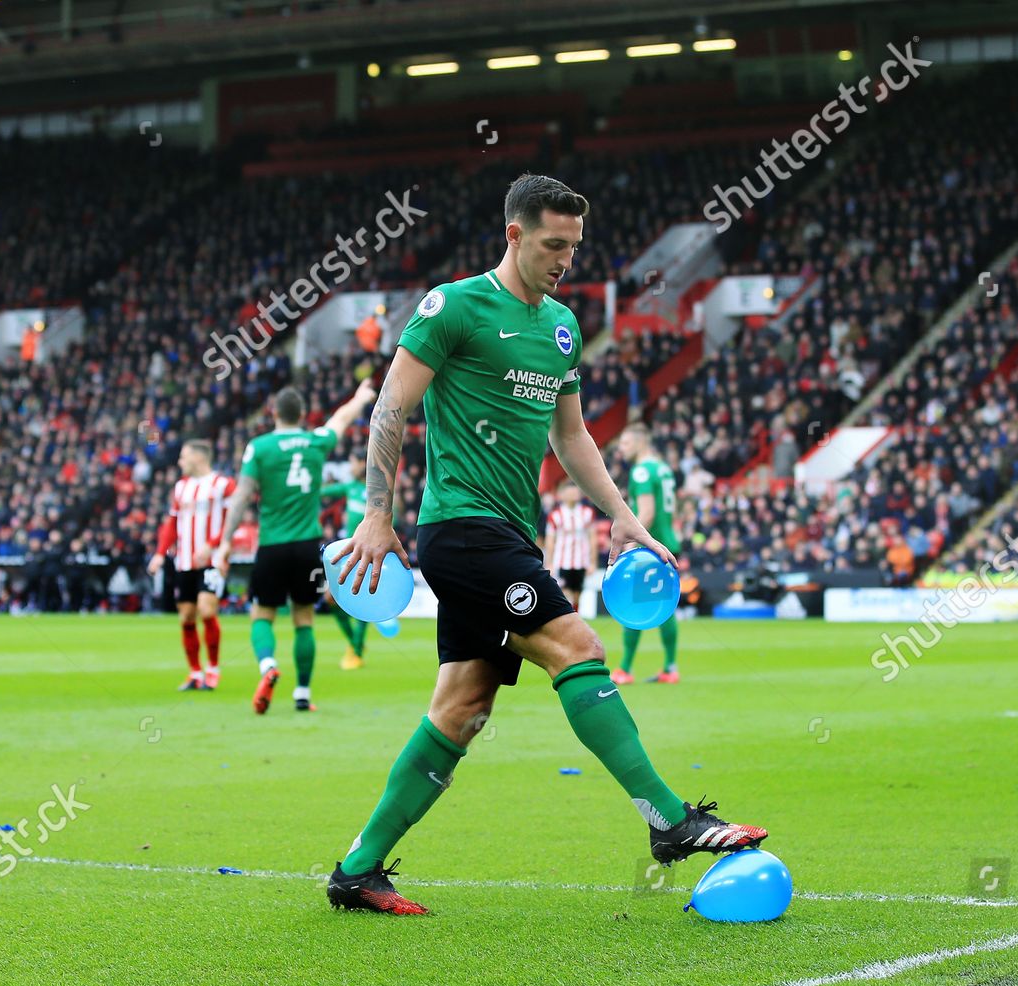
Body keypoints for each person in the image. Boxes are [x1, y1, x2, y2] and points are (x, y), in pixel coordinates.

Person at [325, 173, 767, 916]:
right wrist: (378, 513)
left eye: (575, 246)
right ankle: (668, 819)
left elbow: (572, 436)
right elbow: (390, 410)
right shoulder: (454, 306)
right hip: (461, 529)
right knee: (578, 645)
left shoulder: (560, 327)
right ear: (515, 235)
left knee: (463, 706)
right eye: (554, 244)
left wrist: (622, 515)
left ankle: (357, 869)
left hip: (506, 530)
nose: (565, 258)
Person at [214, 382, 375, 712]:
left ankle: (268, 666)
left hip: (272, 545)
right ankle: (302, 693)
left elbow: (243, 494)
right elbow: (341, 419)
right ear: (302, 415)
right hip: (307, 546)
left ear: (273, 413)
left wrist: (226, 541)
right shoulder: (315, 440)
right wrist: (359, 397)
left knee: (262, 615)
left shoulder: (259, 447)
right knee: (304, 619)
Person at [147, 441, 235, 691]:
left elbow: (232, 520)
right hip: (184, 561)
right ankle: (195, 673)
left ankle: (213, 670)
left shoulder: (223, 485)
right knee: (186, 616)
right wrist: (160, 554)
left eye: (183, 457)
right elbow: (171, 524)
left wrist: (213, 544)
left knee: (207, 611)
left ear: (198, 457)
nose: (179, 462)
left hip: (212, 561)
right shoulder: (181, 488)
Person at [610, 425, 681, 685]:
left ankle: (625, 669)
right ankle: (670, 667)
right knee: (666, 605)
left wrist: (631, 542)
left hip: (649, 544)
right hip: (667, 541)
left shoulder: (641, 471)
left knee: (634, 602)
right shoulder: (662, 468)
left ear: (641, 443)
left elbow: (648, 512)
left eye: (626, 443)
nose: (621, 449)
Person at [321, 454, 372, 669]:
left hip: (367, 550)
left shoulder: (376, 491)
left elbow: (394, 518)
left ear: (363, 463)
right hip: (347, 552)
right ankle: (355, 643)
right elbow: (323, 492)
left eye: (353, 462)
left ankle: (356, 649)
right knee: (331, 598)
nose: (350, 467)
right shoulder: (350, 487)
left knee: (361, 601)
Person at [543, 478, 597, 612]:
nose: (574, 494)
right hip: (562, 562)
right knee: (565, 593)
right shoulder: (555, 515)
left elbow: (592, 538)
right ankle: (567, 618)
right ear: (562, 495)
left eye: (575, 491)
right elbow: (550, 540)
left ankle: (575, 617)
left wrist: (593, 562)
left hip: (581, 561)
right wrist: (549, 562)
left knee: (578, 594)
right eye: (570, 491)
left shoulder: (587, 513)